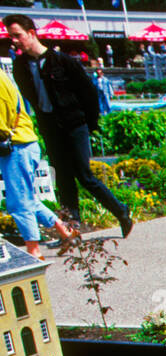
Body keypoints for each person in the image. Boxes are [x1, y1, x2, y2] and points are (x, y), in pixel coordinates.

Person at [4, 14, 131, 238]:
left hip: (75, 125)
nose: (13, 40)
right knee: (62, 178)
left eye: (17, 35)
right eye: (11, 36)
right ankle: (73, 229)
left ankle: (121, 211)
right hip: (51, 128)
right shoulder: (21, 66)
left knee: (84, 175)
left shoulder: (63, 61)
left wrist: (90, 125)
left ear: (31, 33)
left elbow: (89, 94)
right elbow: (30, 99)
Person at [0, 68, 77, 258]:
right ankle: (65, 233)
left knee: (19, 203)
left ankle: (34, 251)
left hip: (17, 146)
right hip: (24, 144)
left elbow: (1, 123)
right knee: (25, 197)